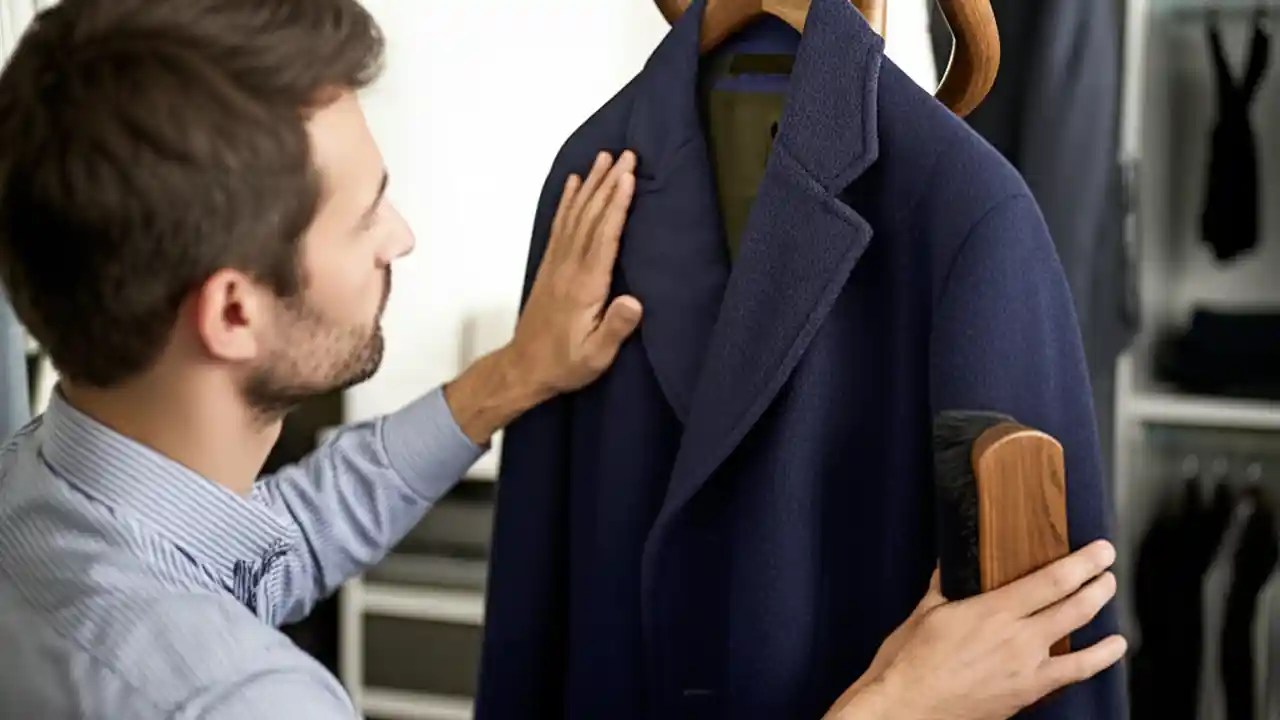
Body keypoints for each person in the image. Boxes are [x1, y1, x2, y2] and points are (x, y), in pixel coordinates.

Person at [0, 1, 1125, 718]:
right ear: (233, 312)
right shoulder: (241, 702)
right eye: (366, 216)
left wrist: (513, 376)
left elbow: (278, 542)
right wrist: (894, 709)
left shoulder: (37, 498)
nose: (403, 238)